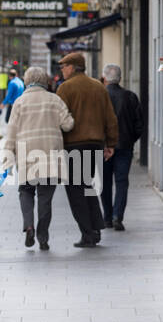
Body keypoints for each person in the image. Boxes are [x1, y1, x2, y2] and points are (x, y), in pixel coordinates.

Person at [1, 67, 73, 250]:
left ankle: (29, 226)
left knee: (25, 191)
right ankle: (43, 237)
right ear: (45, 81)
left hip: (27, 157)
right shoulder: (54, 100)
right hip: (50, 156)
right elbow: (68, 124)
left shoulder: (19, 103)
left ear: (26, 80)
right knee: (45, 198)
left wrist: (7, 159)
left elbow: (11, 133)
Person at [55, 53, 118, 248]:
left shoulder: (65, 88)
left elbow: (58, 118)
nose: (62, 70)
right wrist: (111, 144)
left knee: (75, 191)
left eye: (64, 66)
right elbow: (110, 117)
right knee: (88, 187)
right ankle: (96, 227)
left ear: (74, 67)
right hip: (95, 144)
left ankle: (88, 232)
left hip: (73, 145)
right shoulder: (99, 87)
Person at [99, 63, 143, 231]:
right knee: (122, 181)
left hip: (103, 147)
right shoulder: (130, 97)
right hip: (124, 146)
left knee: (105, 182)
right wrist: (131, 140)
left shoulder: (100, 96)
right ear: (120, 78)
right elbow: (139, 124)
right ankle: (118, 216)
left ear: (104, 78)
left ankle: (107, 217)